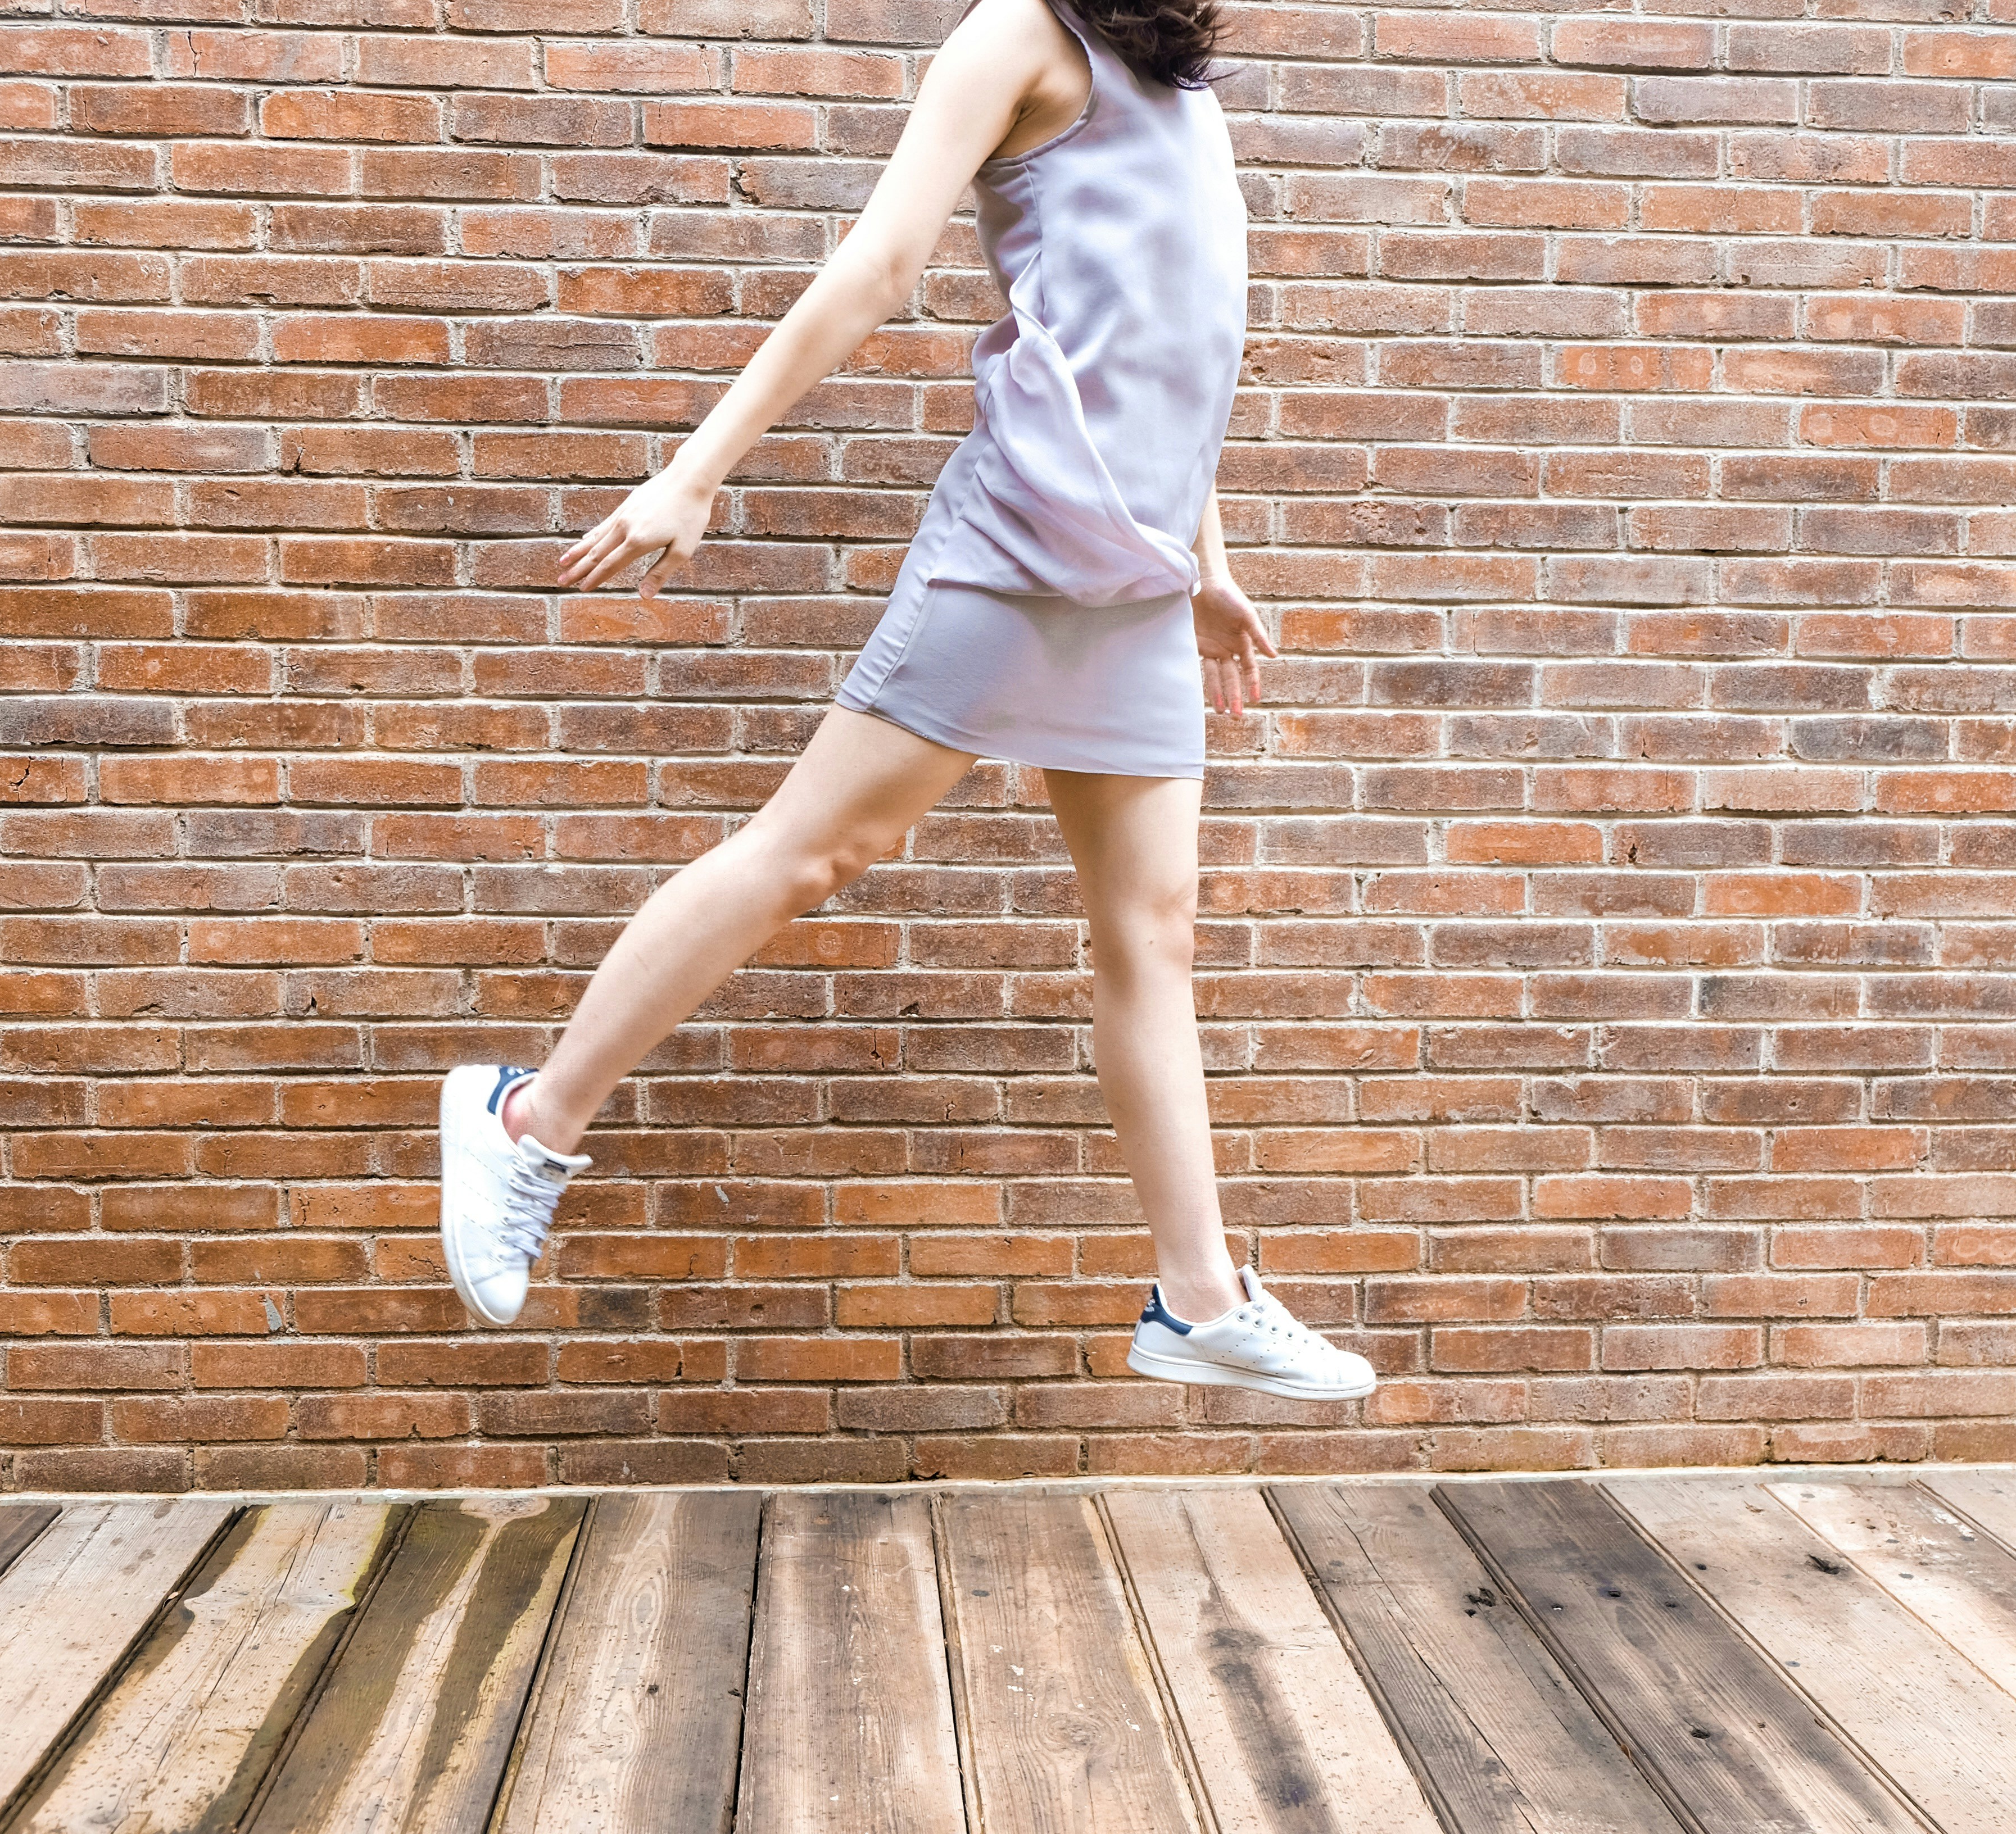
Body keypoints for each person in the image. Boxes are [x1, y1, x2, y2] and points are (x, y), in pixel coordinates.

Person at [436, 0, 1375, 1402]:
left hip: (1135, 579)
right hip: (1019, 546)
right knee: (817, 849)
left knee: (1154, 935)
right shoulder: (1020, 34)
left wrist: (1207, 567)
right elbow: (879, 266)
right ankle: (529, 1116)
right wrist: (698, 470)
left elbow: (1170, 357)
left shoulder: (1181, 86)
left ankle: (1197, 1302)